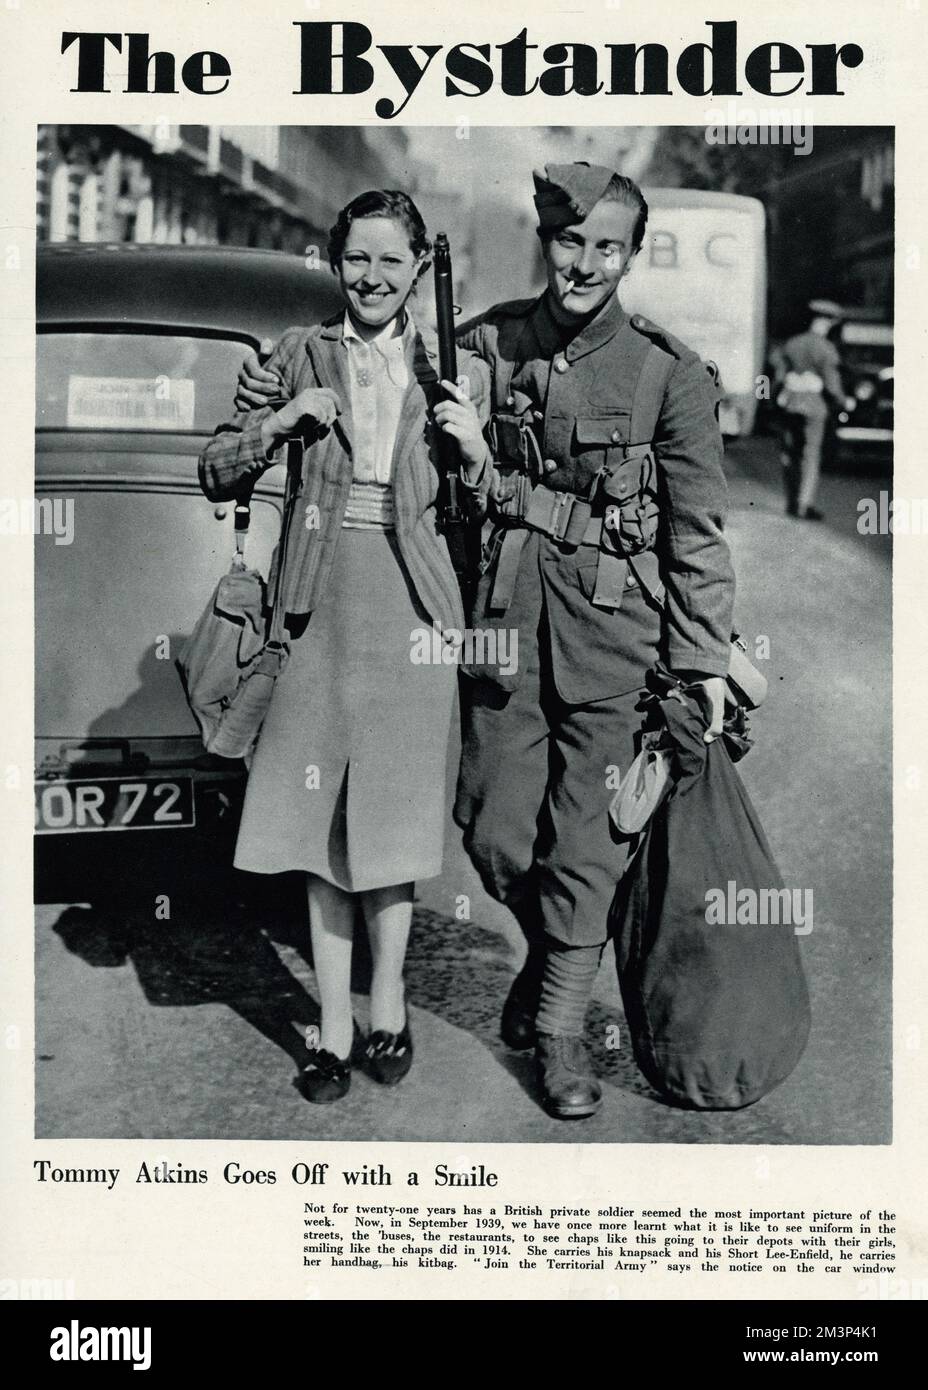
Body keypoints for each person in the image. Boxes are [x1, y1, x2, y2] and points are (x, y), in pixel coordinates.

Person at [235, 163, 736, 1123]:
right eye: (568, 242)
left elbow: (697, 532)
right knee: (491, 827)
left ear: (632, 256)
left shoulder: (669, 373)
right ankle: (553, 954)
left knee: (586, 845)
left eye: (606, 248)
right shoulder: (488, 342)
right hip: (499, 627)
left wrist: (704, 657)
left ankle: (556, 1030)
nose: (584, 264)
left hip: (613, 639)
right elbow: (382, 364)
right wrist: (267, 382)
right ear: (546, 243)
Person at [198, 189, 491, 1105]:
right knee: (319, 830)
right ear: (336, 261)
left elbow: (486, 506)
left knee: (395, 825)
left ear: (417, 271)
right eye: (357, 259)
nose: (372, 277)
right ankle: (330, 1026)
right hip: (314, 607)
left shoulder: (456, 369)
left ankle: (388, 1005)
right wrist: (280, 426)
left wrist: (475, 452)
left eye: (391, 262)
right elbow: (215, 466)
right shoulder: (296, 353)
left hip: (414, 613)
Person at [773, 298, 850, 521]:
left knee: (789, 453)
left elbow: (778, 374)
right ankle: (803, 505)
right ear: (828, 323)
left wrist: (778, 395)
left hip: (790, 403)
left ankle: (790, 500)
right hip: (814, 407)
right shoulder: (826, 348)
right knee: (810, 455)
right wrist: (843, 402)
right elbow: (832, 383)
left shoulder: (792, 343)